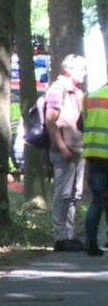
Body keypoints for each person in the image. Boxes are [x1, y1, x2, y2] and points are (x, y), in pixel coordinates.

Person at [47, 54, 87, 252]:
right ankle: (60, 235)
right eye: (82, 70)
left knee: (75, 194)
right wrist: (61, 146)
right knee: (62, 194)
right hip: (64, 150)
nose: (85, 74)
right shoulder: (57, 89)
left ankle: (69, 235)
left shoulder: (77, 92)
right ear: (69, 70)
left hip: (78, 148)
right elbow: (50, 120)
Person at [83, 80, 108, 256]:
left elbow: (82, 124)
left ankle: (91, 243)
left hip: (93, 154)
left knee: (97, 200)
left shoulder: (91, 97)